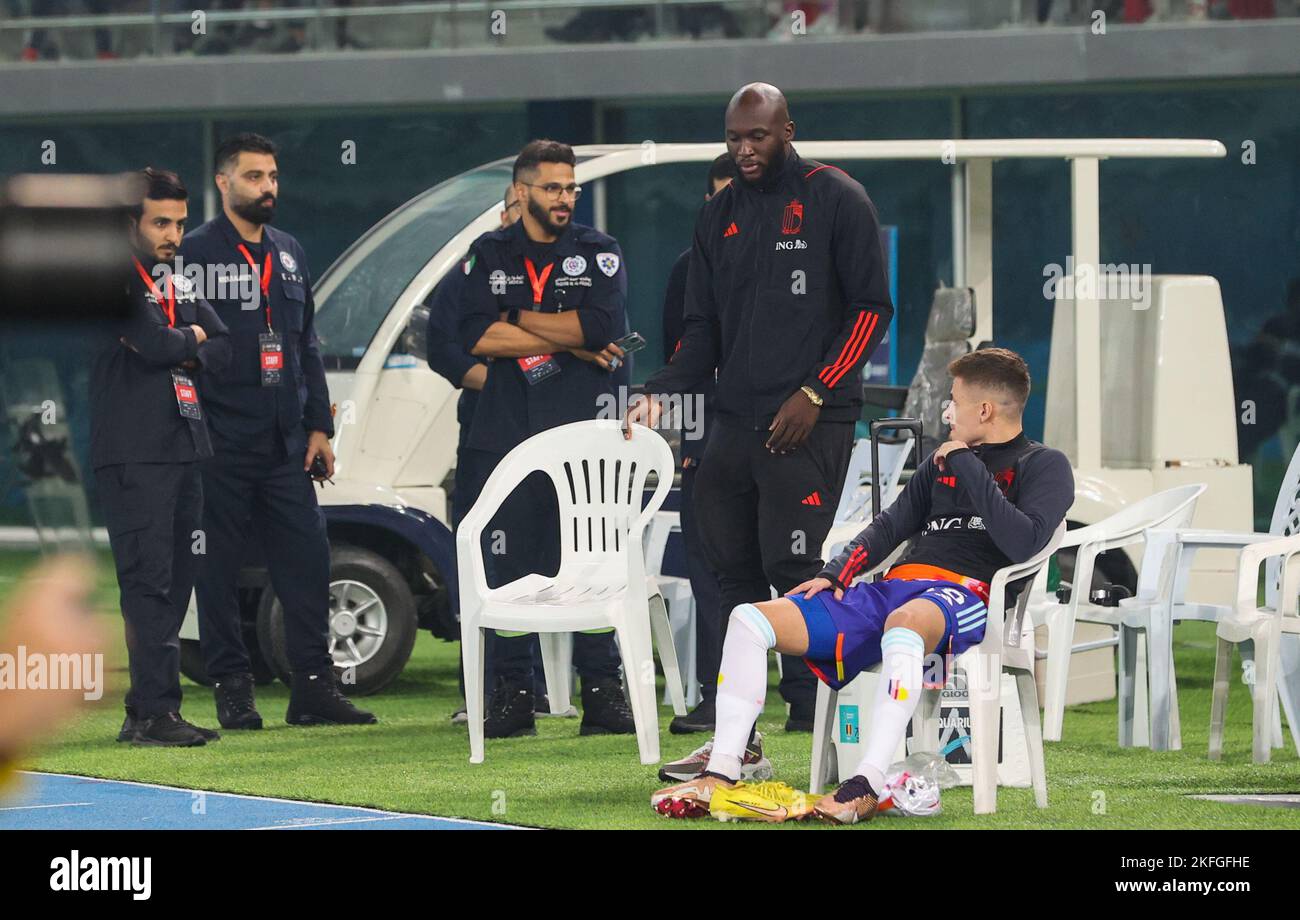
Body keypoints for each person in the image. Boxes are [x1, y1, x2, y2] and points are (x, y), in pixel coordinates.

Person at [652, 348, 1075, 824]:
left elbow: (1023, 542)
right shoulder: (939, 463)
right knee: (750, 619)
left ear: (985, 410)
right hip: (897, 588)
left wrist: (970, 467)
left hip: (969, 594)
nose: (946, 412)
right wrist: (836, 572)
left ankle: (867, 782)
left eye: (954, 401)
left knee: (904, 624)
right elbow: (889, 529)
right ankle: (723, 772)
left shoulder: (1045, 464)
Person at [627, 83, 893, 733]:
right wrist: (656, 389)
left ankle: (813, 706)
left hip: (811, 418)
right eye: (734, 139)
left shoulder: (836, 197)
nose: (745, 150)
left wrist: (816, 390)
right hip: (732, 420)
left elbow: (870, 310)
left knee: (794, 564)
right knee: (729, 567)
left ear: (787, 131)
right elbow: (701, 332)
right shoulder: (718, 219)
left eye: (758, 136)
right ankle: (736, 707)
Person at [179, 132, 375, 729]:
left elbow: (305, 345)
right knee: (215, 569)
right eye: (255, 177)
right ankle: (233, 690)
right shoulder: (193, 255)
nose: (268, 187)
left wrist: (320, 426)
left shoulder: (288, 251)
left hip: (286, 442)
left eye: (272, 176)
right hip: (218, 440)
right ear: (223, 183)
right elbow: (181, 351)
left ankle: (314, 689)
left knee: (308, 561)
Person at [457, 139, 635, 739]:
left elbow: (603, 326)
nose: (565, 198)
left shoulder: (598, 251)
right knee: (507, 563)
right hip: (504, 431)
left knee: (591, 559)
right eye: (553, 188)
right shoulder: (490, 251)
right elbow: (475, 336)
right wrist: (568, 338)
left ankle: (603, 693)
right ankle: (512, 694)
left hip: (581, 433)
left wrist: (517, 318)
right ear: (523, 191)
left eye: (571, 188)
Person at [90, 167, 230, 747]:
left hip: (182, 445)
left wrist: (190, 341)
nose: (174, 234)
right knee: (147, 582)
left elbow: (223, 346)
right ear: (129, 223)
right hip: (134, 452)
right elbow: (158, 345)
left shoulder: (177, 280)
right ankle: (155, 713)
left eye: (179, 221)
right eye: (161, 222)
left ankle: (146, 709)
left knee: (175, 580)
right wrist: (190, 341)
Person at [425, 183, 520, 723]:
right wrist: (508, 384)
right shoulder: (473, 267)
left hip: (553, 431)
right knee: (484, 559)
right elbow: (443, 346)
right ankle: (483, 693)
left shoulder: (570, 268)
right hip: (486, 429)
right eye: (510, 212)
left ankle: (591, 688)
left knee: (559, 558)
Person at [660, 154, 733, 737]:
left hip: (784, 439)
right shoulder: (690, 269)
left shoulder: (797, 266)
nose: (727, 209)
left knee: (792, 567)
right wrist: (692, 440)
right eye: (717, 198)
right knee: (710, 572)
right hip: (710, 441)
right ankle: (716, 695)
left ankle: (808, 698)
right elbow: (681, 362)